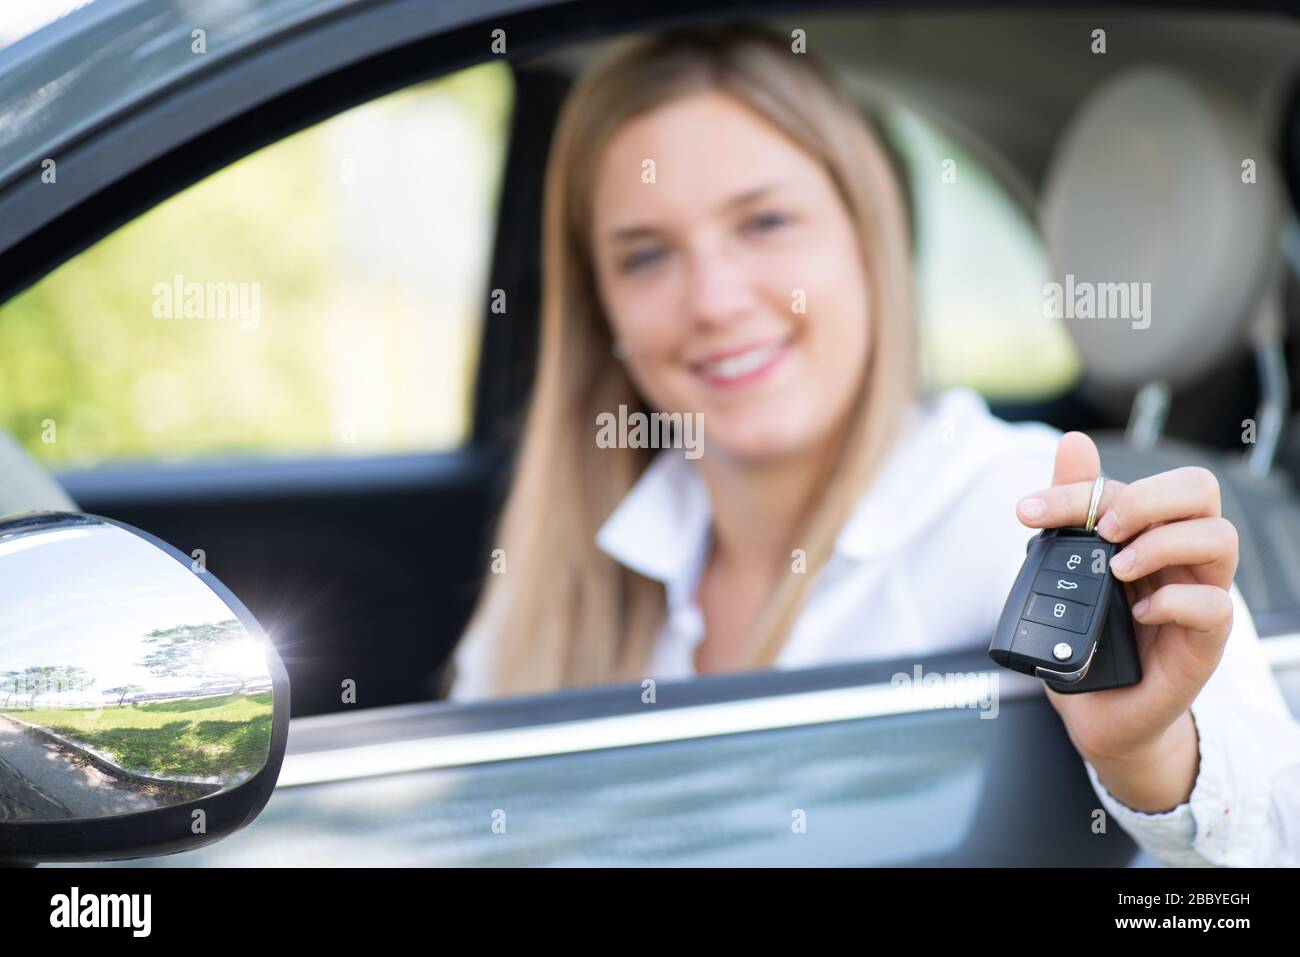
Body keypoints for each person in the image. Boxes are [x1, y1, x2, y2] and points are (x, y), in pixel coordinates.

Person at [446, 24, 1300, 866]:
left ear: (869, 238)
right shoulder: (564, 567)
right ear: (601, 309)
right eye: (645, 256)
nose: (711, 298)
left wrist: (1146, 755)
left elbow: (1274, 827)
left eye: (766, 222)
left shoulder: (1011, 508)